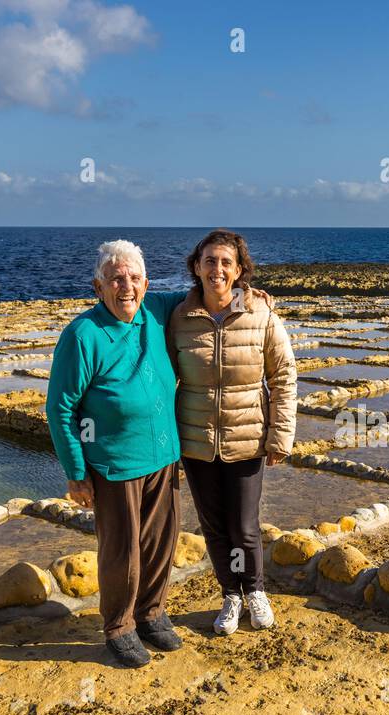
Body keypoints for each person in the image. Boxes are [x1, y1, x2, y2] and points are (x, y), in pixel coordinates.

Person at [45, 240, 186, 667]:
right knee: (122, 552)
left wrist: (247, 294)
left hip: (163, 456)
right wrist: (75, 471)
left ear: (147, 282)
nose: (127, 286)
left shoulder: (156, 312)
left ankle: (151, 612)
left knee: (162, 542)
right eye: (116, 278)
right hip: (115, 463)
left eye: (134, 278)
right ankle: (119, 626)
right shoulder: (83, 335)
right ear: (98, 286)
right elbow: (60, 407)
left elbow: (206, 291)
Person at [170, 229, 296, 636]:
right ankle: (230, 595)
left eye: (226, 262)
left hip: (247, 437)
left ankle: (255, 590)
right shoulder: (180, 317)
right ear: (196, 267)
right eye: (209, 261)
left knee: (244, 523)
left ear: (240, 270)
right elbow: (162, 376)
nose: (217, 269)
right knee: (213, 525)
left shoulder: (260, 313)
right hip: (196, 439)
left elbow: (284, 377)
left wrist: (280, 436)